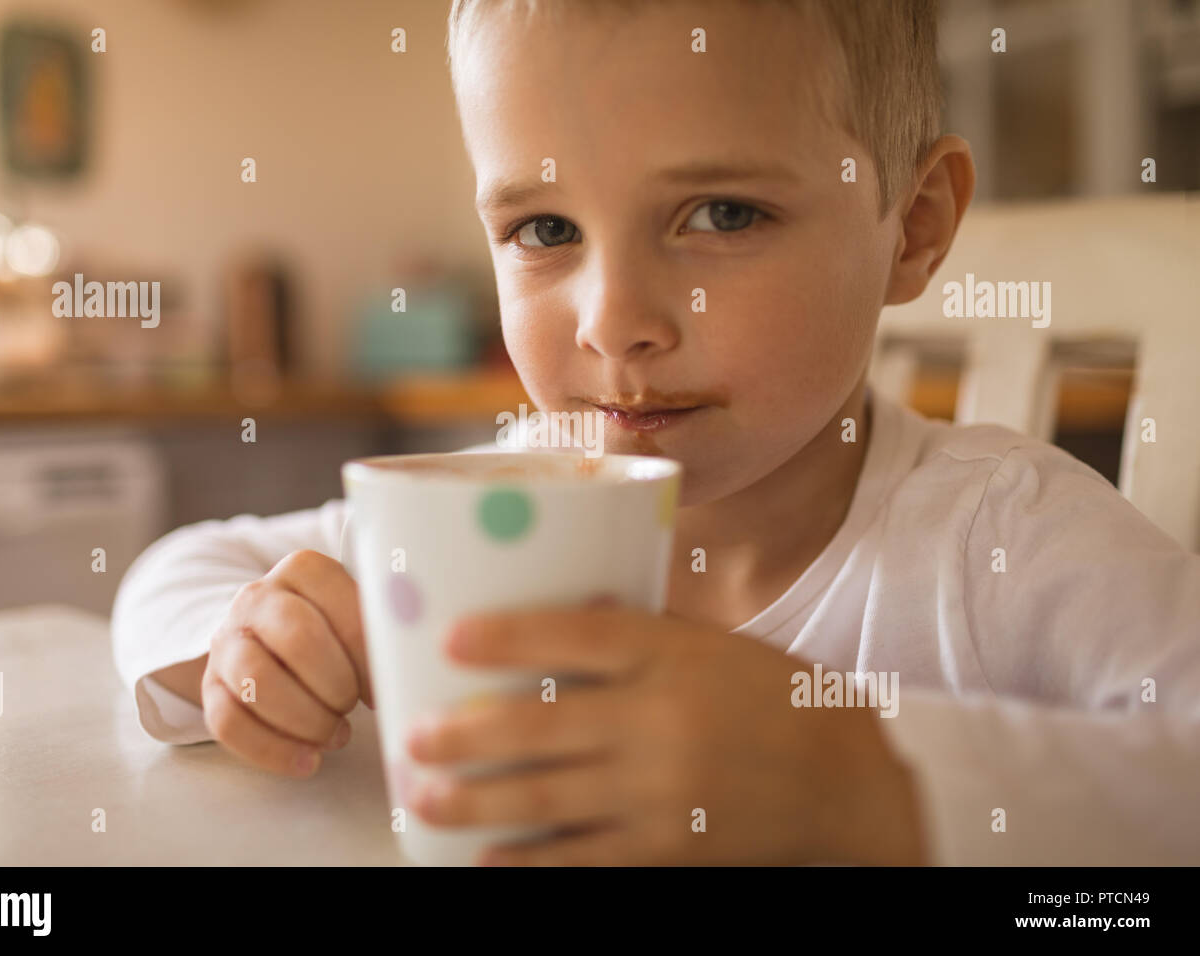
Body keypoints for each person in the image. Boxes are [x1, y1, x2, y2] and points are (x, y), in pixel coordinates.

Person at [112, 0, 1200, 865]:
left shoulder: (995, 536)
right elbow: (183, 562)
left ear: (912, 228)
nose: (611, 321)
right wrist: (246, 640)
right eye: (544, 229)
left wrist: (862, 779)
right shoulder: (480, 519)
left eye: (721, 214)